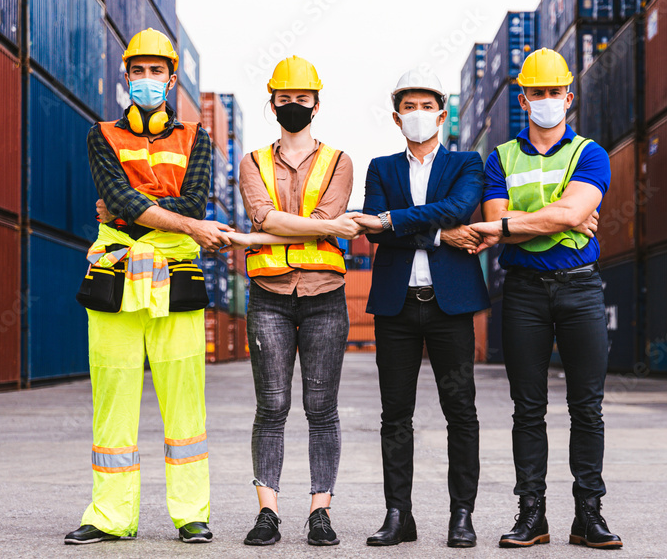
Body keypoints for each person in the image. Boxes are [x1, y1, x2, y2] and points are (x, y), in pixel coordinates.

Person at [66, 28, 233, 545]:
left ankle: (191, 514)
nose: (145, 80)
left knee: (185, 402)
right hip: (116, 282)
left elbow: (195, 202)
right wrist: (153, 208)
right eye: (137, 71)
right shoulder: (101, 135)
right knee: (111, 397)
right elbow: (115, 194)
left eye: (154, 71)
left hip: (174, 281)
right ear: (126, 76)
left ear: (171, 78)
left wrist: (132, 207)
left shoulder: (196, 138)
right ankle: (110, 516)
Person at [471, 48, 621, 549]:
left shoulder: (591, 153)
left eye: (554, 92)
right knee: (527, 409)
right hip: (523, 294)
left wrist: (521, 223)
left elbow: (512, 223)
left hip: (580, 288)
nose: (546, 100)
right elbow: (510, 226)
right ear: (523, 98)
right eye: (537, 92)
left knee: (588, 408)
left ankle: (589, 515)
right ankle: (531, 515)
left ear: (568, 97)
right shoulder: (501, 157)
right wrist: (561, 216)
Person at [352, 68, 490, 549]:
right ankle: (398, 515)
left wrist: (395, 220)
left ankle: (462, 515)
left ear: (442, 113)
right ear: (396, 117)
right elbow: (371, 229)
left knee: (461, 412)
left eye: (425, 106)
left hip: (450, 306)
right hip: (396, 307)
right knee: (395, 415)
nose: (418, 114)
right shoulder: (381, 168)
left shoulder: (467, 164)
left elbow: (458, 210)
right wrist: (429, 232)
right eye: (408, 107)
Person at [230, 56, 361, 547]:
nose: (293, 106)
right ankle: (268, 514)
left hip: (325, 296)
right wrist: (327, 229)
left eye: (300, 100)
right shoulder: (253, 162)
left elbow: (279, 224)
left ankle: (320, 513)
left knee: (321, 406)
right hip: (269, 297)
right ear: (272, 104)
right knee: (272, 406)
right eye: (284, 100)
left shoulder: (339, 161)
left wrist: (279, 229)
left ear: (316, 104)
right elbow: (265, 219)